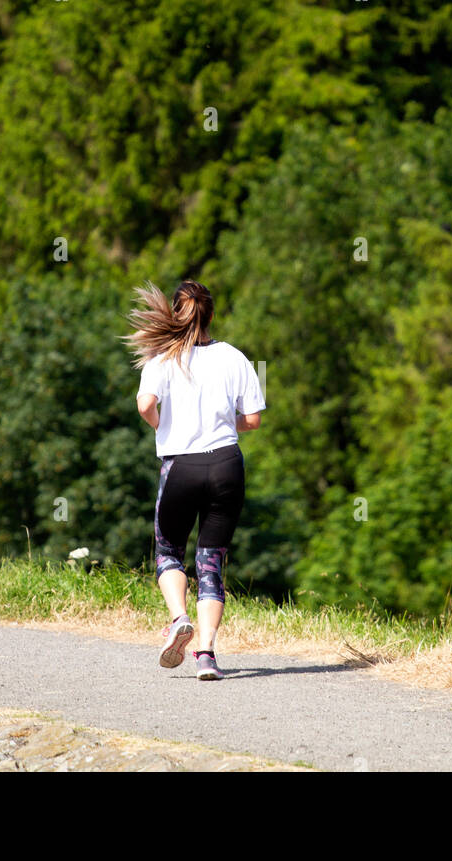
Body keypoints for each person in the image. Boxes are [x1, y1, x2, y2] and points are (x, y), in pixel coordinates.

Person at [124, 280, 265, 680]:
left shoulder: (162, 357)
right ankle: (206, 654)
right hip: (226, 466)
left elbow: (144, 404)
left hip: (180, 467)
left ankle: (179, 617)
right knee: (211, 563)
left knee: (169, 551)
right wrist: (223, 421)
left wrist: (162, 427)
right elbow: (252, 420)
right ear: (212, 315)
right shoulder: (235, 358)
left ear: (175, 312)